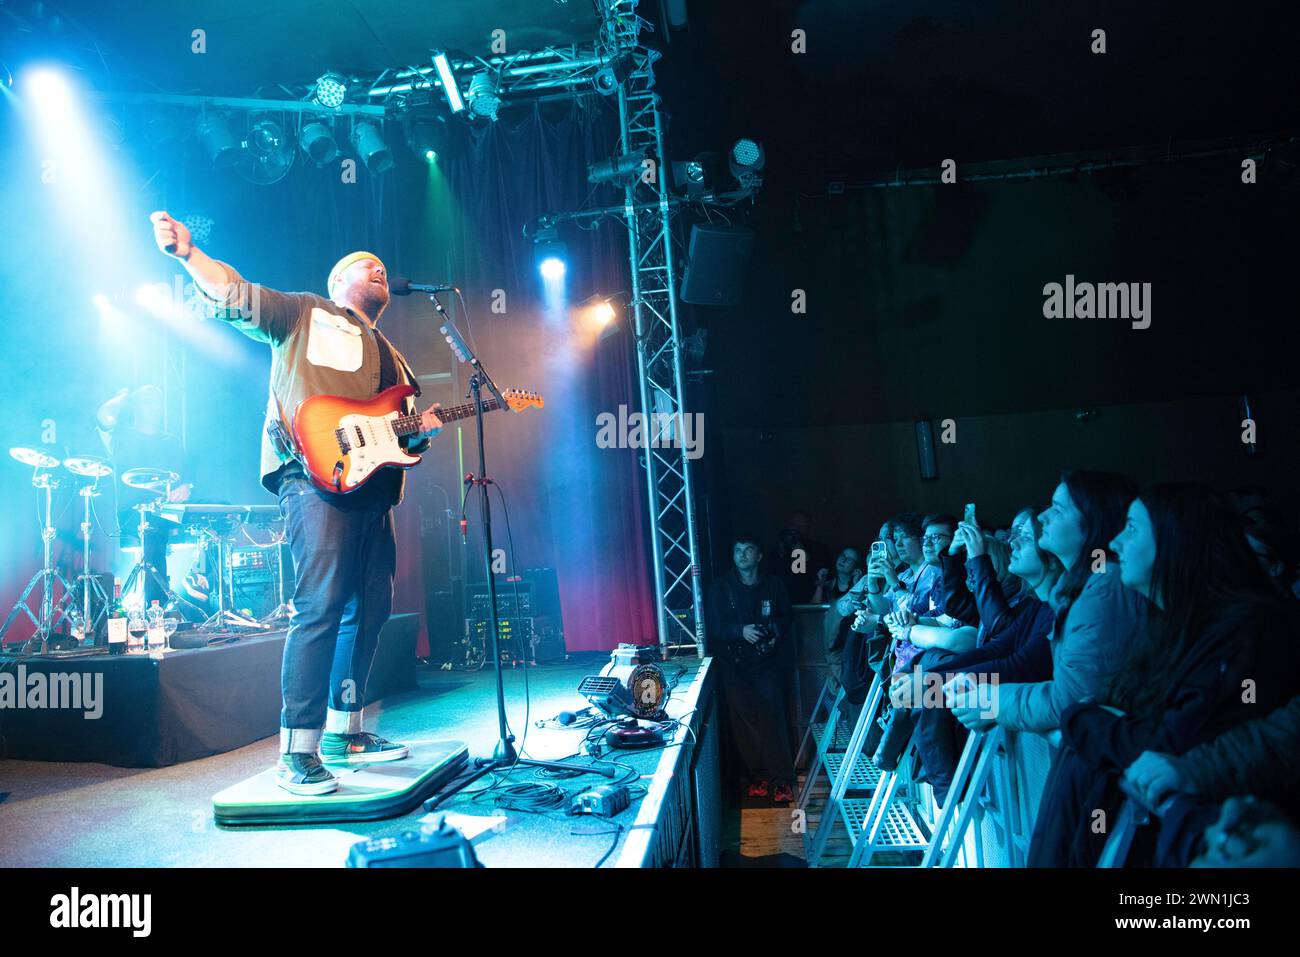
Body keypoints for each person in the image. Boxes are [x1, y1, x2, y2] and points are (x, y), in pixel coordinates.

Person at [150, 210, 444, 796]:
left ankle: (346, 731)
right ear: (338, 283)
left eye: (383, 265)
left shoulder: (398, 360)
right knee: (320, 606)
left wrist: (421, 429)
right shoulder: (309, 312)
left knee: (372, 609)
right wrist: (191, 256)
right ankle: (298, 748)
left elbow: (393, 432)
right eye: (366, 264)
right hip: (311, 476)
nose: (378, 268)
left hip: (373, 491)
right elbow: (237, 296)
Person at [1028, 483, 1298, 866]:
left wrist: (1081, 717)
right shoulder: (1169, 623)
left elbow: (1166, 745)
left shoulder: (1247, 629)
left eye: (1133, 528)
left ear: (1178, 540)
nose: (1116, 542)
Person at [705, 534, 796, 804]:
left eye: (748, 549)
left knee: (773, 720)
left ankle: (782, 781)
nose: (742, 555)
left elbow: (786, 617)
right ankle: (758, 778)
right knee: (743, 722)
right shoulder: (721, 587)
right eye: (737, 550)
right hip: (734, 664)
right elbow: (713, 627)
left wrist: (771, 630)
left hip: (766, 662)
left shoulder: (773, 585)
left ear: (759, 555)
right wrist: (740, 631)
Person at [96, 384, 191, 607]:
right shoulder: (121, 437)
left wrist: (185, 488)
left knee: (216, 517)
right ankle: (155, 607)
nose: (154, 407)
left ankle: (209, 600)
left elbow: (183, 480)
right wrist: (123, 395)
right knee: (152, 532)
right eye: (147, 401)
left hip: (166, 511)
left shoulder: (172, 442)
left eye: (157, 401)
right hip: (133, 513)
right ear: (136, 407)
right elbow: (103, 417)